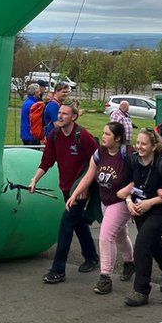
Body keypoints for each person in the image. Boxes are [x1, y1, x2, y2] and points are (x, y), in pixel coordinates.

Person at [30, 102, 100, 283]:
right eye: (59, 113)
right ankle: (91, 258)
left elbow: (97, 161)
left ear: (74, 117)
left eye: (65, 114)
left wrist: (85, 188)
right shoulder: (54, 135)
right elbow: (47, 161)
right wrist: (34, 180)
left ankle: (58, 270)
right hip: (66, 188)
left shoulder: (82, 136)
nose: (60, 116)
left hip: (80, 190)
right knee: (78, 223)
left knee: (66, 226)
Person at [66, 121, 134, 295]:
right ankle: (130, 262)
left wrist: (129, 189)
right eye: (103, 133)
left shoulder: (127, 154)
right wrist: (75, 194)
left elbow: (140, 175)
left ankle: (105, 278)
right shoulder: (99, 153)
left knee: (105, 236)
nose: (103, 137)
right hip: (106, 200)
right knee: (120, 236)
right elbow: (89, 176)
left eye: (107, 134)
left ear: (118, 138)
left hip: (121, 201)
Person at [116, 128, 162, 307]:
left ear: (154, 146)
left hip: (161, 211)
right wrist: (129, 202)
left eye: (144, 144)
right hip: (139, 209)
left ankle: (141, 290)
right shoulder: (134, 160)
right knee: (153, 245)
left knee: (142, 244)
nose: (139, 147)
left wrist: (152, 202)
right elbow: (127, 185)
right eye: (137, 143)